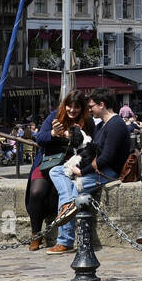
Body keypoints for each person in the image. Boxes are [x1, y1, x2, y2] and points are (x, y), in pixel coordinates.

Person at [48, 89, 130, 254]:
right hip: (96, 168)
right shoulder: (102, 125)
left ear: (102, 105)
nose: (89, 109)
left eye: (91, 106)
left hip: (107, 173)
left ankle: (65, 241)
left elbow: (105, 159)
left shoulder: (116, 125)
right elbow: (93, 151)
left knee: (74, 187)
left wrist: (81, 172)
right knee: (56, 171)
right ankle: (68, 204)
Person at [31, 91, 88, 253]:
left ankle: (64, 237)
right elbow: (40, 138)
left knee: (61, 191)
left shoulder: (86, 121)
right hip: (49, 161)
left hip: (71, 163)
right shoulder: (54, 117)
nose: (72, 110)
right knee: (36, 191)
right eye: (70, 106)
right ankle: (36, 233)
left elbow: (90, 144)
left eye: (76, 107)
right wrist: (53, 134)